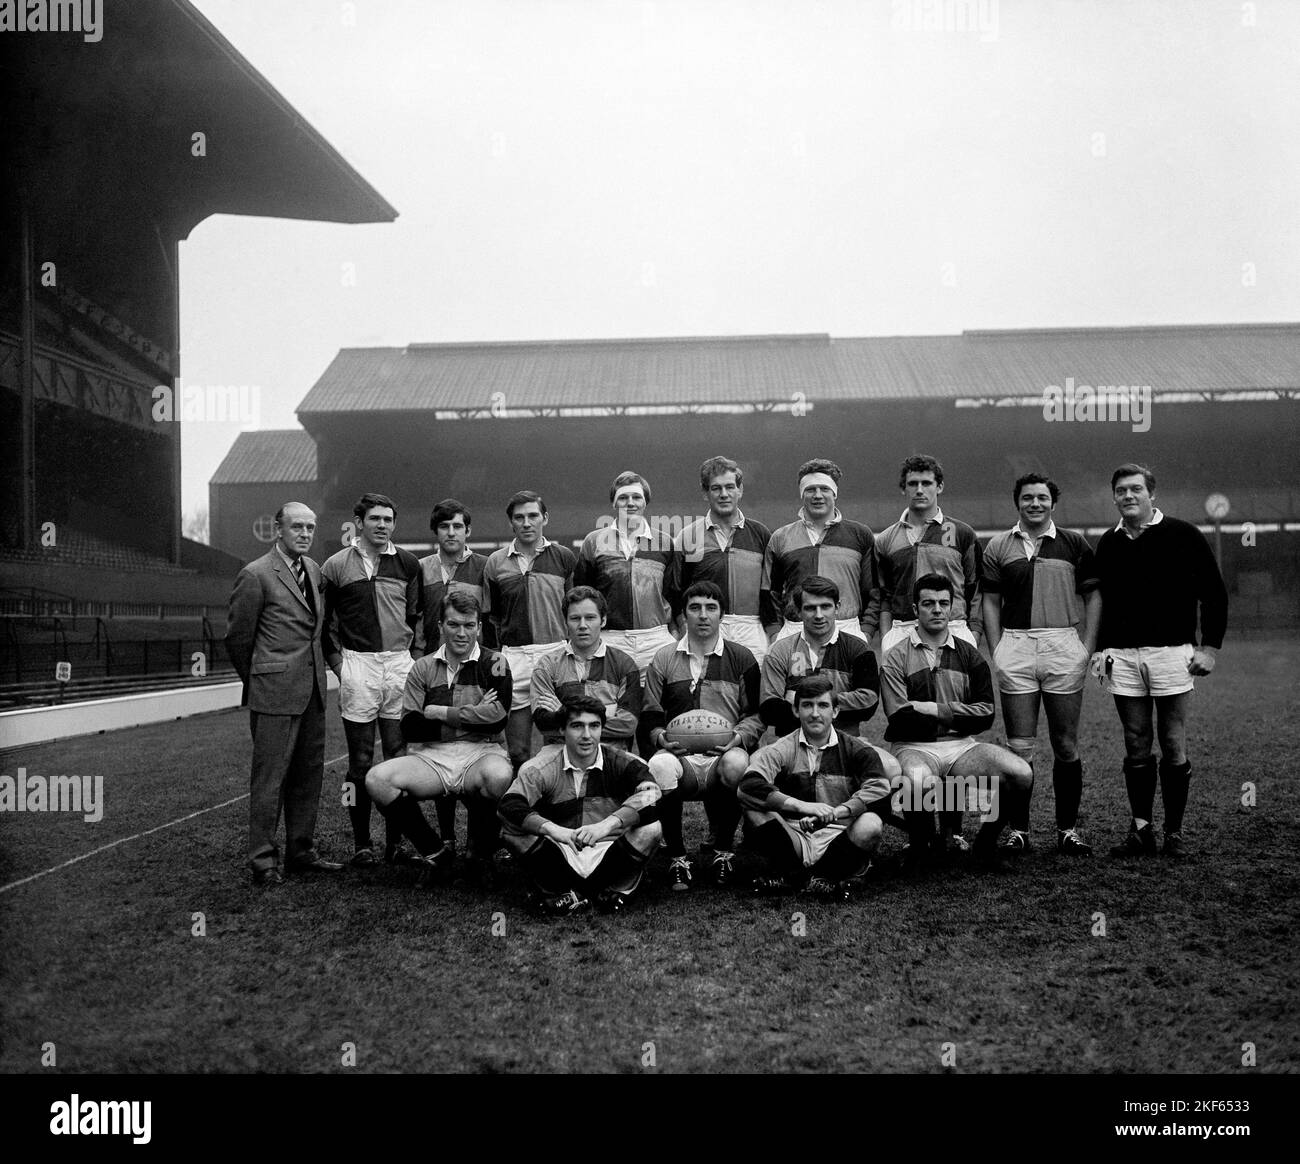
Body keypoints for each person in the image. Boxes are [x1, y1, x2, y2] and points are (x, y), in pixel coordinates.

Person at [1090, 463, 1228, 859]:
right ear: (1114, 497)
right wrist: (1101, 648)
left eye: (1136, 489)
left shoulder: (1183, 535)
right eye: (1121, 491)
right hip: (1124, 656)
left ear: (1152, 494)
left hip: (1172, 653)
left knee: (1171, 740)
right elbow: (1104, 602)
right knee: (1136, 741)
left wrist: (1210, 648)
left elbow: (1214, 594)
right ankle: (1141, 830)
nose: (1128, 496)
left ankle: (1174, 832)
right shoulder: (1109, 543)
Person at [982, 473, 1101, 855]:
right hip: (1015, 644)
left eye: (1043, 498)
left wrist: (1086, 646)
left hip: (1063, 643)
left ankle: (1067, 830)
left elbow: (1094, 596)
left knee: (1065, 743)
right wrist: (997, 646)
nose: (1035, 503)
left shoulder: (1074, 544)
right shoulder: (999, 545)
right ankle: (1020, 831)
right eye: (1028, 498)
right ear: (1017, 502)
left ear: (1053, 502)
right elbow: (989, 600)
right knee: (1020, 747)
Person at [880, 573, 1032, 872]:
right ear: (915, 609)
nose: (936, 609)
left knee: (1021, 774)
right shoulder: (895, 657)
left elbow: (986, 713)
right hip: (914, 747)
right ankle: (923, 847)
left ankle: (984, 846)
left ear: (951, 608)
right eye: (928, 603)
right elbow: (900, 718)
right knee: (917, 781)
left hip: (962, 747)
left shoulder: (969, 655)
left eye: (943, 603)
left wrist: (935, 709)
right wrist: (962, 716)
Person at [225, 502, 342, 885]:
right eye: (297, 527)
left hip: (313, 692)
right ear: (279, 529)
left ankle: (301, 851)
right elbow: (238, 639)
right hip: (274, 692)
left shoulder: (314, 570)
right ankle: (262, 858)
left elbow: (317, 630)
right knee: (270, 777)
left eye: (310, 527)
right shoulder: (255, 575)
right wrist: (261, 678)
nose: (305, 534)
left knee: (308, 775)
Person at [364, 591, 515, 886]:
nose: (462, 633)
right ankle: (435, 853)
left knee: (499, 776)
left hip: (480, 753)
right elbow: (411, 727)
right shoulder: (421, 667)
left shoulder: (496, 661)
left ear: (479, 627)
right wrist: (474, 717)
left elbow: (498, 718)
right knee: (376, 780)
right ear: (440, 625)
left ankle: (478, 855)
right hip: (432, 756)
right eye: (454, 624)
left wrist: (441, 712)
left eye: (469, 625)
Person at [320, 492, 423, 867]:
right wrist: (339, 666)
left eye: (388, 519)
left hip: (398, 664)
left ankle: (396, 844)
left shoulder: (409, 564)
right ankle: (362, 844)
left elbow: (418, 617)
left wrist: (414, 658)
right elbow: (325, 625)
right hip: (358, 665)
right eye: (375, 518)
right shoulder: (334, 566)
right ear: (359, 521)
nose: (382, 525)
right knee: (360, 761)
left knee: (397, 756)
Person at [639, 581, 764, 890]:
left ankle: (723, 851)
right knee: (659, 766)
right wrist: (660, 737)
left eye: (711, 608)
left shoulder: (742, 658)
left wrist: (738, 737)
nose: (703, 615)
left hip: (722, 755)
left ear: (722, 614)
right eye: (695, 608)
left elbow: (756, 714)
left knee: (738, 764)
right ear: (683, 615)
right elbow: (651, 713)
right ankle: (678, 858)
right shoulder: (664, 658)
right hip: (680, 758)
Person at [499, 695, 663, 916]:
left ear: (602, 729)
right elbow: (509, 805)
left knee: (652, 829)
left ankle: (613, 890)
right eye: (577, 726)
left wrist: (605, 826)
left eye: (594, 726)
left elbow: (652, 794)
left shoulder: (623, 761)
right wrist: (555, 830)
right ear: (561, 730)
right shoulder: (539, 767)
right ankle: (566, 890)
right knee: (511, 831)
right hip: (562, 850)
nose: (587, 735)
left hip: (610, 850)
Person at [739, 675, 892, 901]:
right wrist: (804, 807)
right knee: (751, 806)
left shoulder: (857, 749)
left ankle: (823, 876)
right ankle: (794, 872)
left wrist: (834, 813)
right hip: (795, 834)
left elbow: (879, 792)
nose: (815, 713)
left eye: (822, 705)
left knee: (871, 823)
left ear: (836, 711)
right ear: (795, 711)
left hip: (839, 833)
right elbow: (748, 786)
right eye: (807, 705)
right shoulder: (781, 749)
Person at [759, 575, 901, 786]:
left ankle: (868, 816)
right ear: (798, 611)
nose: (819, 615)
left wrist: (802, 701)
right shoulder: (780, 651)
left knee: (890, 769)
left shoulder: (859, 649)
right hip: (791, 743)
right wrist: (840, 704)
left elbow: (869, 703)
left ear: (838, 607)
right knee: (754, 769)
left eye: (825, 606)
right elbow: (769, 708)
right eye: (810, 608)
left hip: (846, 741)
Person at [415, 497, 493, 850]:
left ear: (468, 531)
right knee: (440, 746)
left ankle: (482, 840)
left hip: (475, 667)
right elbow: (414, 617)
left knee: (478, 746)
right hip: (436, 667)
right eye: (444, 526)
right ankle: (446, 837)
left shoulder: (484, 566)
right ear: (435, 531)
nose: (451, 532)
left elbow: (491, 620)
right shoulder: (422, 568)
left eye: (457, 526)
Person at [483, 490, 577, 771]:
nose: (527, 523)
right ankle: (520, 811)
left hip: (556, 653)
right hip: (515, 658)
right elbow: (493, 619)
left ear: (545, 518)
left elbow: (575, 611)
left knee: (560, 744)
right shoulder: (495, 562)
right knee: (519, 750)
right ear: (511, 523)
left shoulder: (564, 557)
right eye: (519, 517)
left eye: (533, 516)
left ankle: (560, 809)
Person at [667, 455, 776, 665]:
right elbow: (676, 590)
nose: (724, 494)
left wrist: (773, 633)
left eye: (729, 487)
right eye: (716, 488)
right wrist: (682, 629)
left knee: (752, 694)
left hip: (752, 629)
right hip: (702, 627)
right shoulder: (688, 537)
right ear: (705, 493)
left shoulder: (761, 534)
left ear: (740, 490)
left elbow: (770, 590)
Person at [873, 454, 983, 654]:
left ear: (939, 487)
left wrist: (973, 632)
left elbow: (974, 589)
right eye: (913, 484)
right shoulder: (885, 539)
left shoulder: (962, 533)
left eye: (927, 483)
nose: (920, 490)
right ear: (903, 489)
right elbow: (884, 597)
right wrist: (886, 637)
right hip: (903, 630)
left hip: (953, 628)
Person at [764, 458, 878, 644]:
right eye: (810, 489)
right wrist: (776, 633)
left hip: (847, 628)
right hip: (796, 630)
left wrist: (866, 631)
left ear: (834, 493)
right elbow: (770, 592)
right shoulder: (780, 537)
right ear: (802, 494)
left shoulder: (860, 535)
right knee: (799, 674)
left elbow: (872, 591)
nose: (817, 495)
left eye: (824, 489)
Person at [574, 470, 678, 674]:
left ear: (645, 502)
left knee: (655, 704)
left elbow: (673, 593)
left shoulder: (665, 542)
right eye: (623, 497)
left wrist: (674, 633)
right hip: (610, 638)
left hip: (656, 639)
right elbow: (582, 594)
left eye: (636, 497)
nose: (630, 503)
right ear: (614, 503)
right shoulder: (593, 542)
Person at [531, 586, 642, 759]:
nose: (583, 625)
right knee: (526, 772)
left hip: (611, 754)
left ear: (603, 620)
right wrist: (607, 712)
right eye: (575, 618)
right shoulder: (546, 666)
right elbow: (544, 724)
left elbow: (628, 724)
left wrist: (563, 712)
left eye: (590, 618)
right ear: (565, 622)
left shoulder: (624, 664)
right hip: (559, 753)